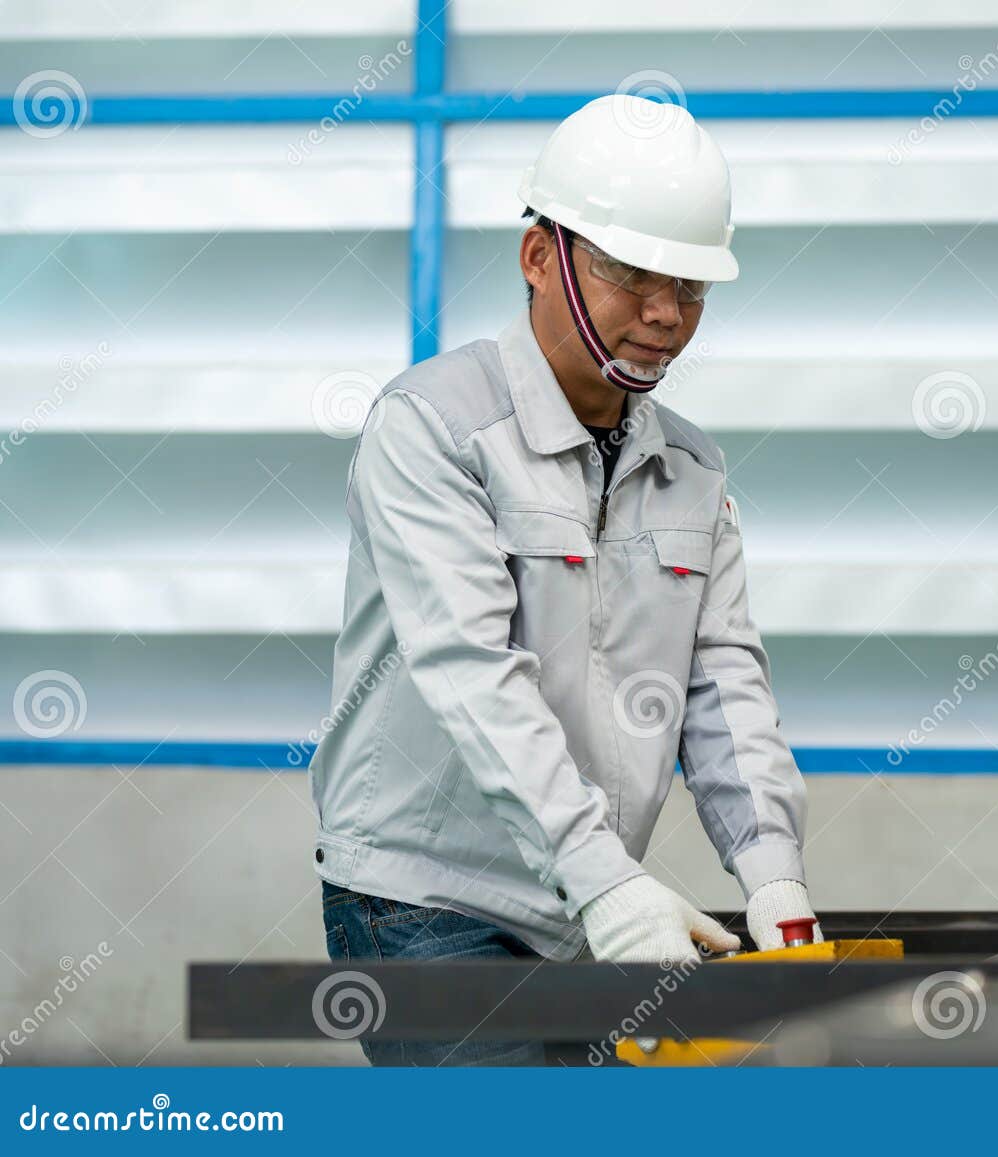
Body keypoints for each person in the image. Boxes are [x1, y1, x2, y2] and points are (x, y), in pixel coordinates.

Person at [308, 93, 816, 1066]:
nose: (665, 313)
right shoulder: (434, 429)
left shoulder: (691, 469)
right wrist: (605, 878)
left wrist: (772, 873)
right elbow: (471, 669)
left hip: (583, 903)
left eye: (691, 285)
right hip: (427, 900)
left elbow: (723, 684)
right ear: (540, 256)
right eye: (631, 273)